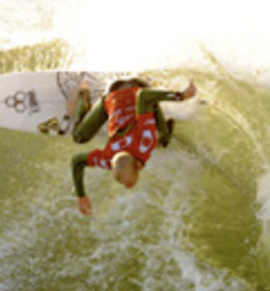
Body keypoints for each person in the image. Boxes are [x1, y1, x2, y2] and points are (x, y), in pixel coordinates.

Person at [70, 77, 196, 215]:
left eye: (127, 183)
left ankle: (83, 89)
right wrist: (81, 196)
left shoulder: (144, 141)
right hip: (115, 93)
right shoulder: (107, 158)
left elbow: (142, 95)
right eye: (128, 183)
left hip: (139, 88)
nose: (128, 187)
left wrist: (181, 96)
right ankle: (83, 94)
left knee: (162, 140)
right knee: (78, 137)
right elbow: (76, 161)